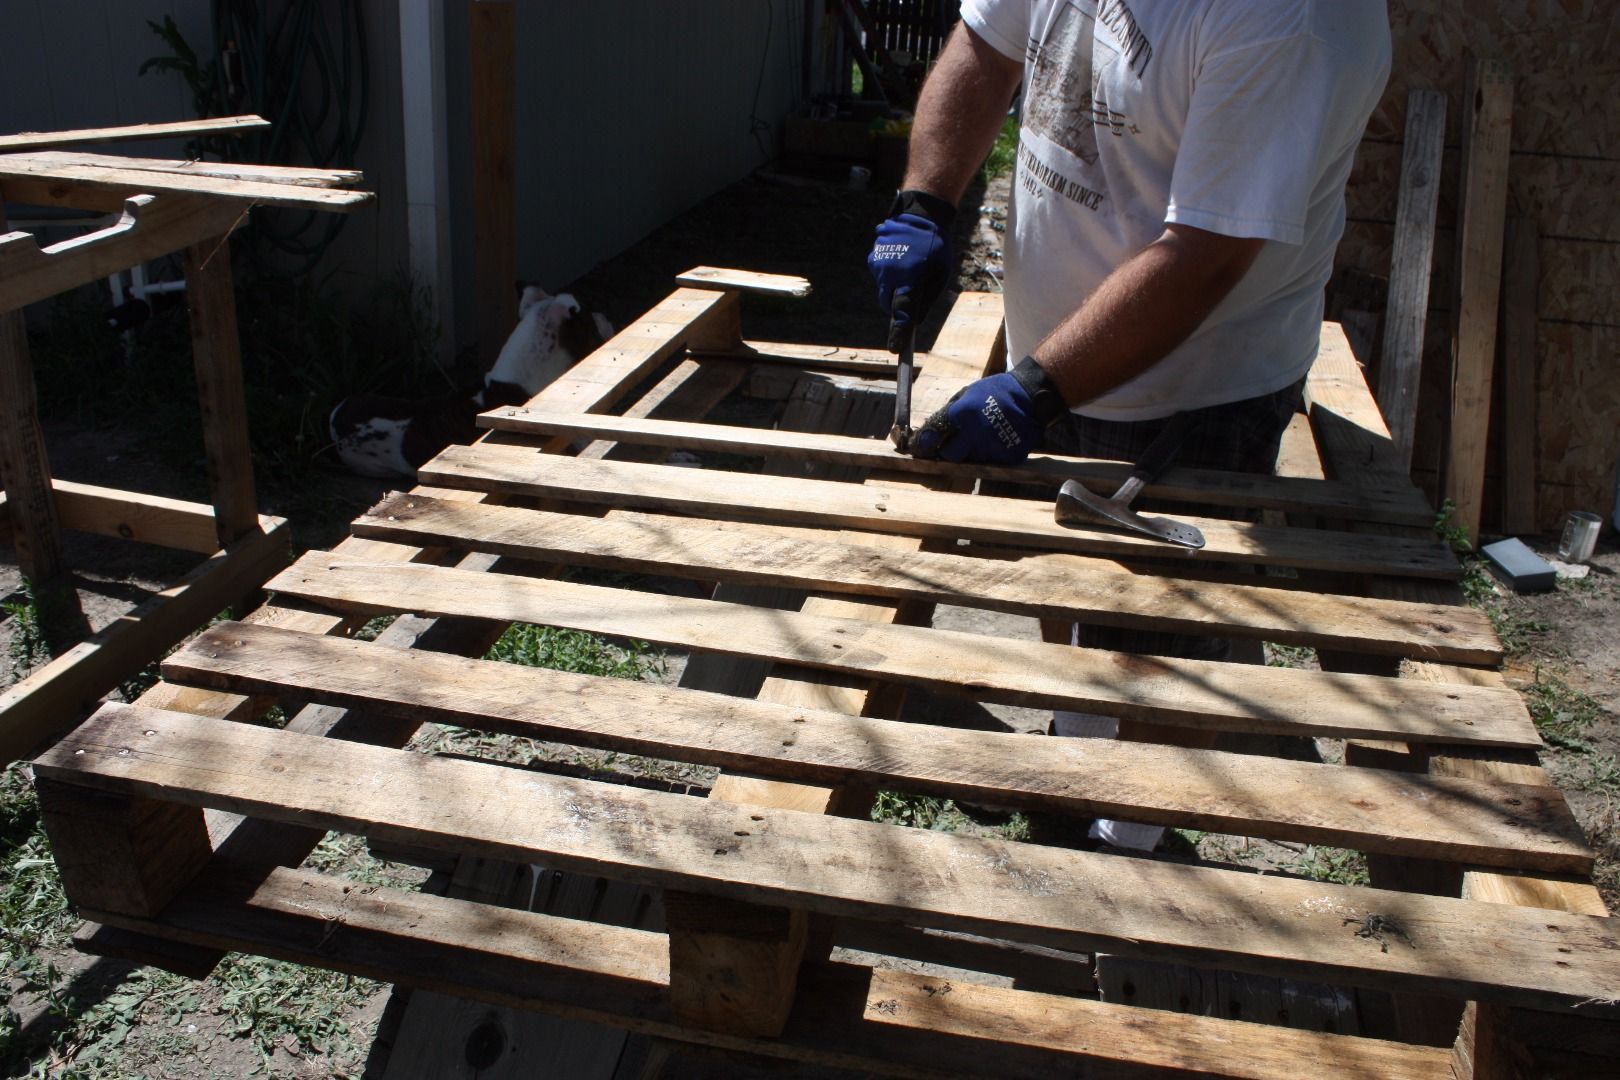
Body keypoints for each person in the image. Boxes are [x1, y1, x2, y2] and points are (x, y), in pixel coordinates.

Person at [867, 1, 1391, 850]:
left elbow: (1209, 253)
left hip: (1196, 391)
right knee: (1065, 584)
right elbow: (985, 44)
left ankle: (1135, 841)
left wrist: (1032, 394)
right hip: (1057, 352)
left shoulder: (1292, 20)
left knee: (1166, 647)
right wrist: (924, 203)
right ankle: (1075, 775)